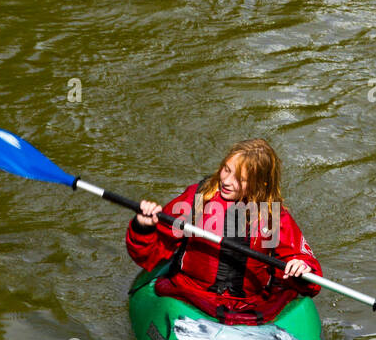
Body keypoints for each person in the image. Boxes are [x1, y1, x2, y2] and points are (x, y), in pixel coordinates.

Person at [126, 137, 322, 325]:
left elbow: (307, 269)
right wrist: (143, 226)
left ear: (259, 184)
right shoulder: (196, 200)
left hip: (252, 305)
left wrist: (301, 267)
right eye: (226, 170)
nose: (226, 181)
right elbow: (149, 254)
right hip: (190, 295)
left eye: (240, 179)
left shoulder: (273, 217)